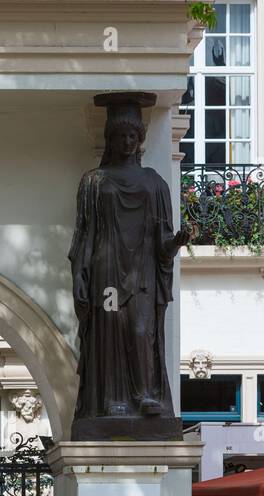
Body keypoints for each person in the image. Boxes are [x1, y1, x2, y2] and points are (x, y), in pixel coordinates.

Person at [69, 92, 185, 439]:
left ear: (140, 140)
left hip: (143, 273)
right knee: (110, 333)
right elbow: (84, 235)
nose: (125, 141)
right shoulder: (92, 182)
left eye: (132, 136)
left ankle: (146, 396)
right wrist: (79, 274)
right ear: (110, 139)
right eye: (119, 136)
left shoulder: (155, 183)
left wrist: (178, 242)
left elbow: (164, 243)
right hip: (105, 271)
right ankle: (112, 401)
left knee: (139, 330)